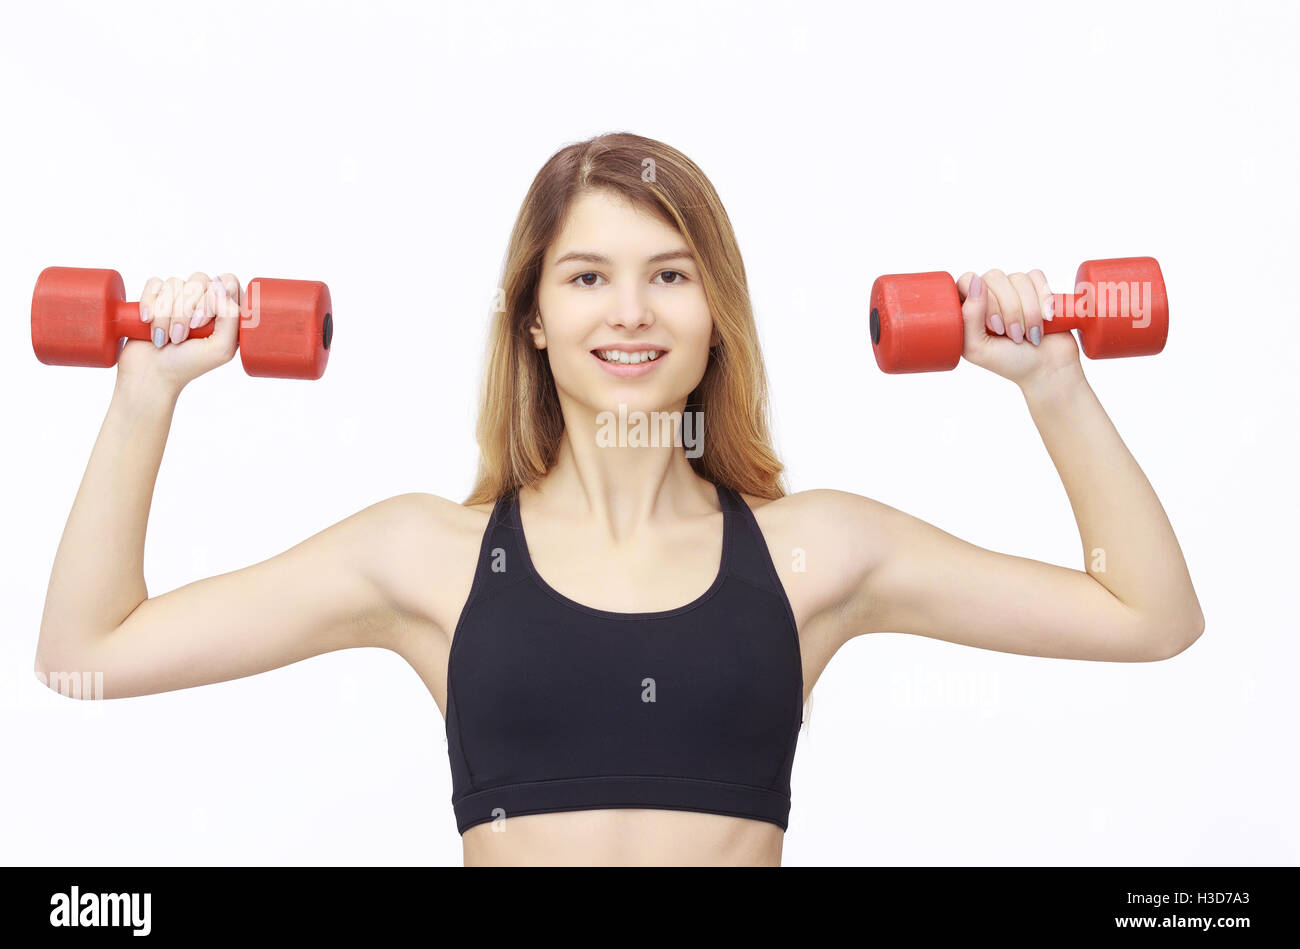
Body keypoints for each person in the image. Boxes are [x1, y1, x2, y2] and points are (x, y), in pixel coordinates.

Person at [34, 132, 1205, 866]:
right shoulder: (426, 559)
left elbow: (1147, 614)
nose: (631, 312)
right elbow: (88, 649)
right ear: (537, 320)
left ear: (714, 313)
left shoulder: (820, 554)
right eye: (588, 276)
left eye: (670, 275)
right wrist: (147, 393)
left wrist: (1054, 381)